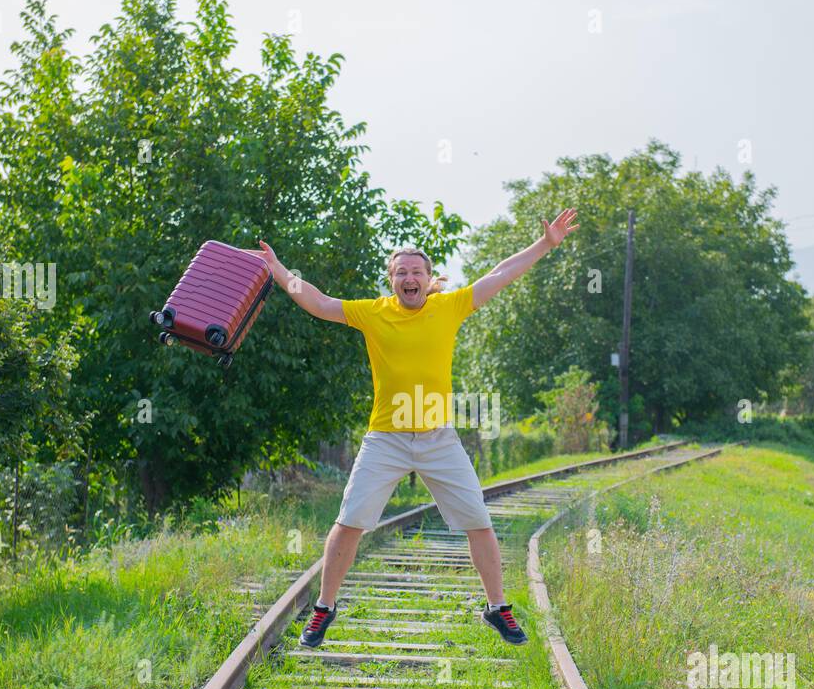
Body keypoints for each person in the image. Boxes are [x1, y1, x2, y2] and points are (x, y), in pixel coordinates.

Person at [245, 208, 579, 648]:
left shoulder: (450, 306)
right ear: (392, 280)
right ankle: (324, 608)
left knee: (478, 520)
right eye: (401, 271)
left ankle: (497, 608)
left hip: (439, 439)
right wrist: (277, 270)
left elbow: (500, 273)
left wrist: (546, 244)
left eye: (417, 271)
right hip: (386, 439)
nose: (410, 278)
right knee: (349, 522)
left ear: (428, 277)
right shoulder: (373, 313)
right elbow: (320, 303)